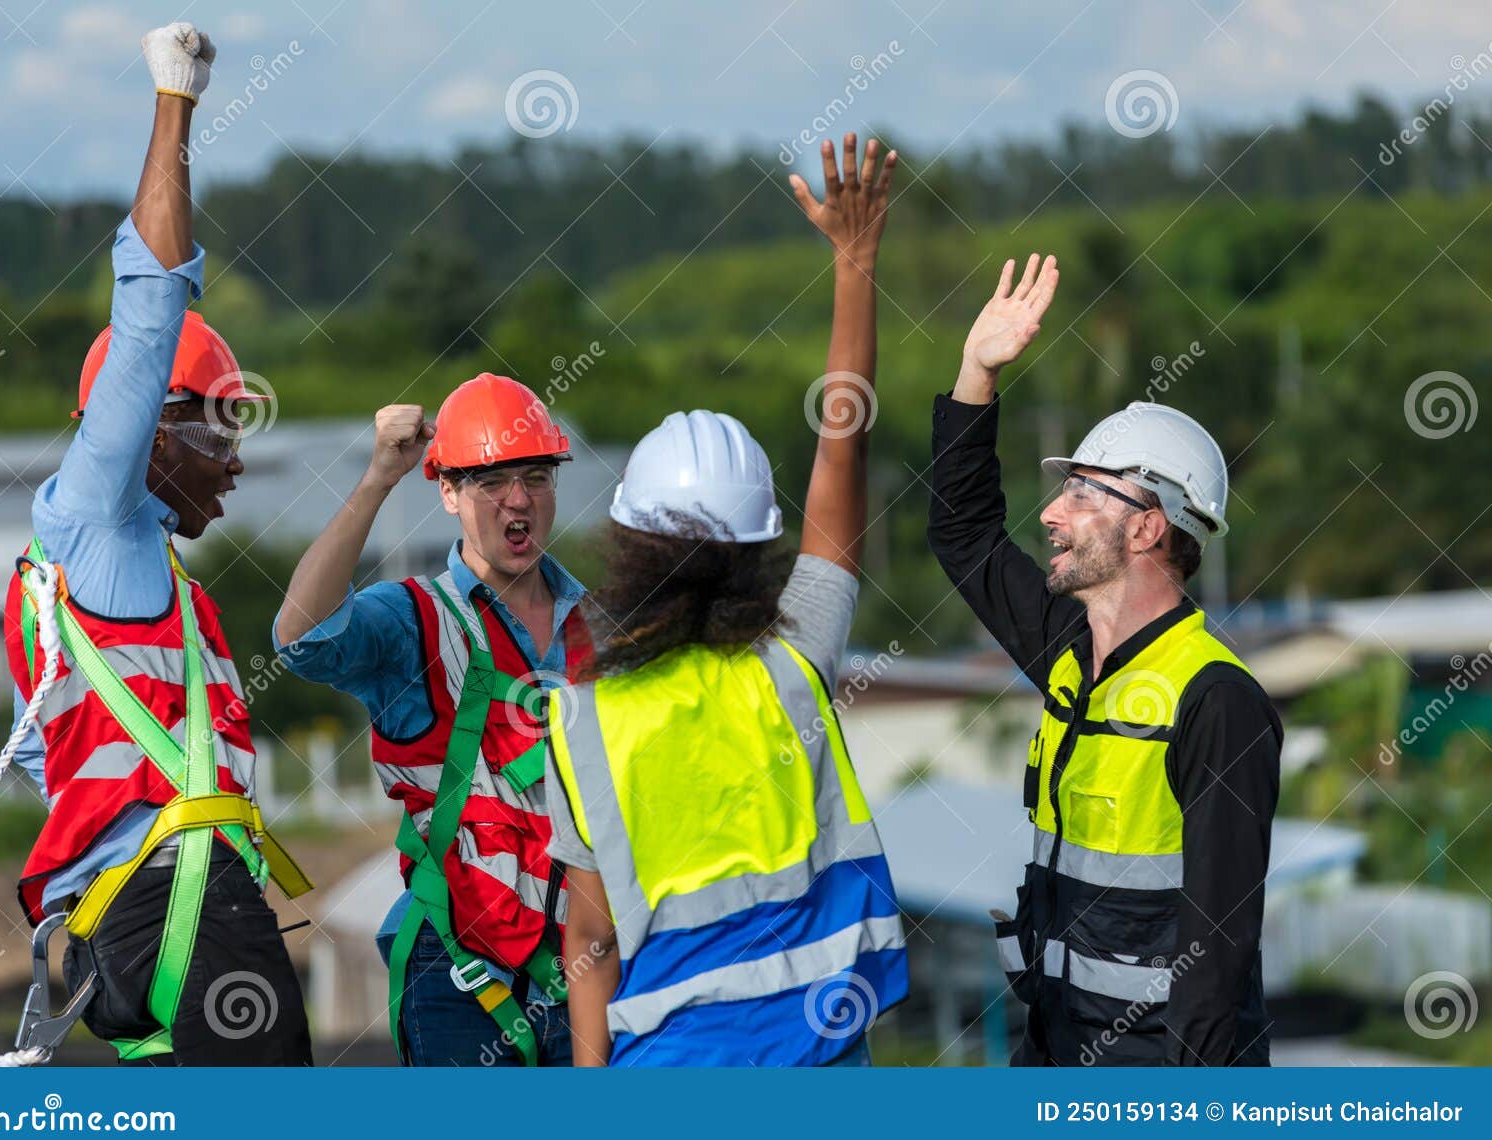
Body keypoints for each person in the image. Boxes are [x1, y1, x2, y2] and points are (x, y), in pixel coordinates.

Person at [547, 134, 908, 1067]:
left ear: (628, 547)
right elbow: (844, 445)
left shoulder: (582, 721)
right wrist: (855, 259)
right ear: (758, 551)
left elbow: (586, 942)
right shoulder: (795, 661)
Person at [3, 23, 312, 1066]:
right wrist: (176, 101)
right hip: (175, 897)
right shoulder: (97, 515)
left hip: (124, 929)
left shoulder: (106, 584)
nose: (232, 461)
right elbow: (150, 308)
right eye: (218, 427)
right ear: (149, 426)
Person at [926, 253, 1282, 1065]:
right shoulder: (1068, 644)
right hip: (1053, 1045)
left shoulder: (1216, 699)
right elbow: (963, 533)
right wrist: (976, 372)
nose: (1052, 512)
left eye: (1084, 493)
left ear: (1150, 526)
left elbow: (1218, 949)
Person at [274, 375, 590, 1066]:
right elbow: (301, 637)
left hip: (587, 960)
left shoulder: (600, 631)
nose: (518, 499)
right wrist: (378, 479)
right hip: (458, 969)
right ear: (446, 491)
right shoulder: (412, 620)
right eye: (489, 481)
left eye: (536, 476)